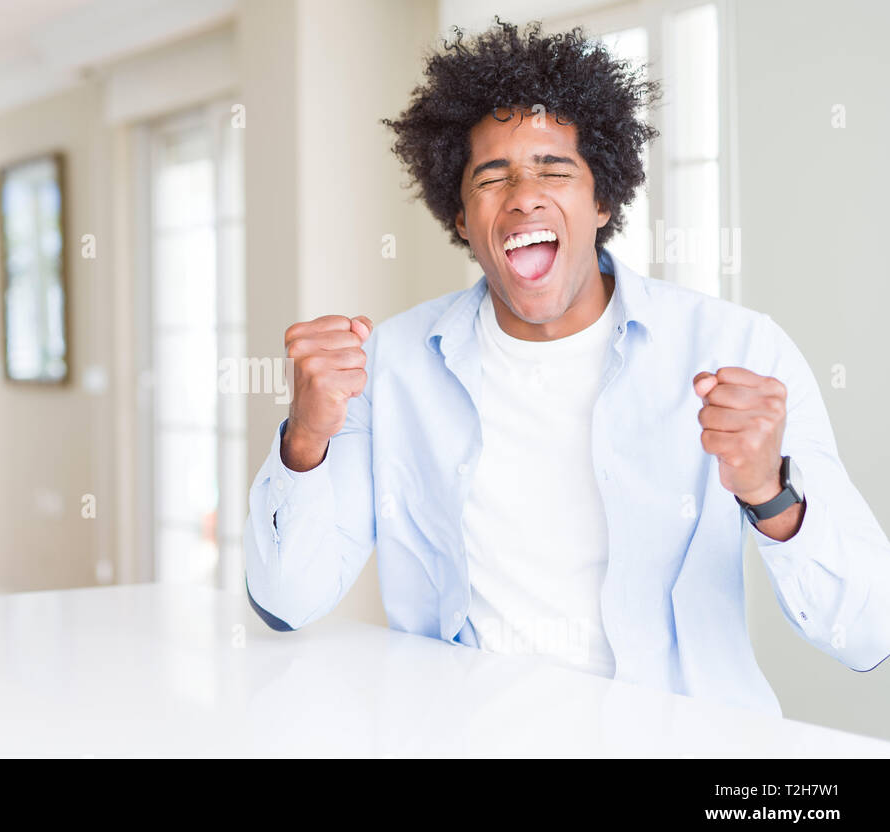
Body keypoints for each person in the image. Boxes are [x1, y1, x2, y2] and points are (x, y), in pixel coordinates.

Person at [243, 18, 890, 716]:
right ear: (460, 216)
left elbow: (867, 632)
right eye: (491, 177)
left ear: (602, 198)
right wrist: (305, 437)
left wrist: (771, 495)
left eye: (554, 168)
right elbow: (286, 604)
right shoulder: (388, 366)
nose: (524, 194)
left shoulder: (736, 349)